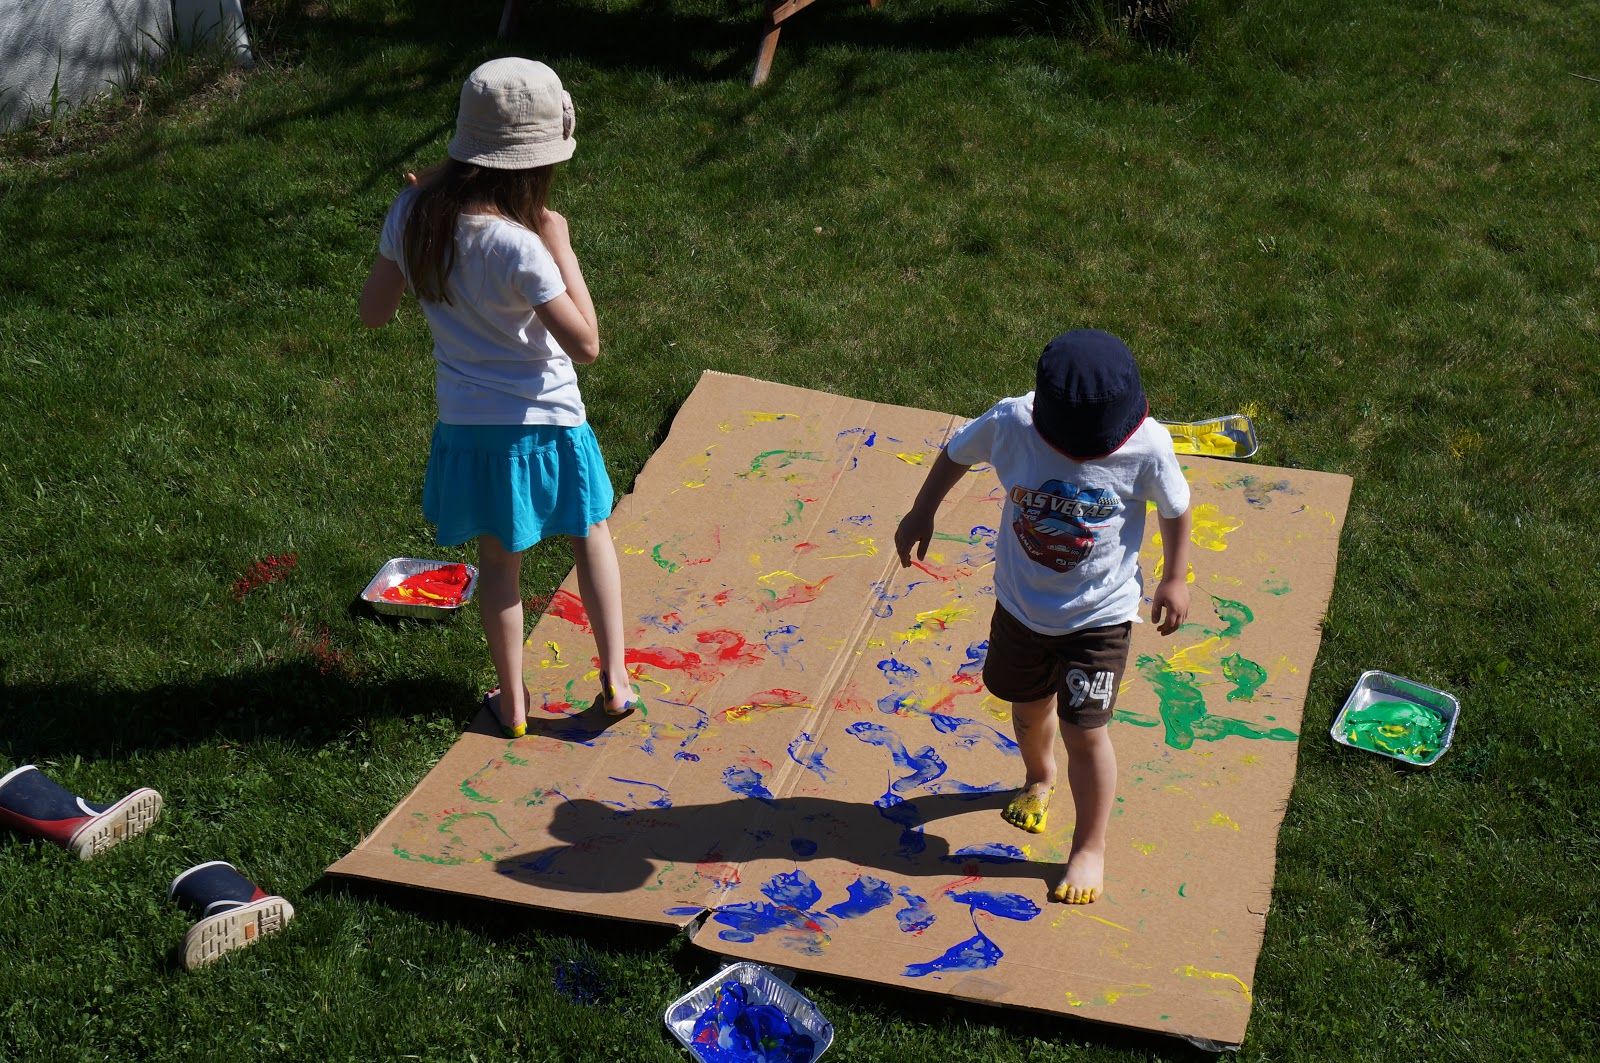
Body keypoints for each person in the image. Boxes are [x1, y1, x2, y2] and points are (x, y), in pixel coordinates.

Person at [359, 58, 639, 737]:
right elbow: (587, 344)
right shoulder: (523, 247)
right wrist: (562, 246)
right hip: (551, 427)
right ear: (534, 165)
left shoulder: (412, 214)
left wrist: (414, 207)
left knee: (498, 568)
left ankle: (512, 705)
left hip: (470, 431)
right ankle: (616, 681)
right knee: (590, 534)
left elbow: (373, 311)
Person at [893, 329, 1192, 904]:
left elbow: (1176, 510)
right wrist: (921, 510)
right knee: (1027, 708)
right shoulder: (1011, 423)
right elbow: (955, 453)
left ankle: (1089, 846)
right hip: (1021, 607)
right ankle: (1039, 777)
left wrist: (1174, 578)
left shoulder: (1146, 446)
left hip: (1099, 617)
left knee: (1086, 731)